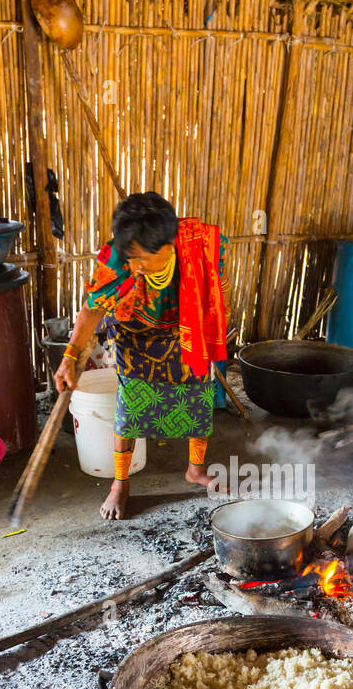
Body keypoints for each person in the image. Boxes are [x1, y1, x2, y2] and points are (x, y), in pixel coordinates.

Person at [54, 192, 230, 520]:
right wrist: (70, 355)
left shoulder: (197, 247)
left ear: (169, 244)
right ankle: (120, 484)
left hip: (184, 332)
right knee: (131, 407)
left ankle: (195, 469)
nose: (134, 267)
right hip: (134, 336)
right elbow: (92, 311)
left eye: (142, 259)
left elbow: (213, 289)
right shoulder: (117, 260)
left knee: (197, 398)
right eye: (129, 258)